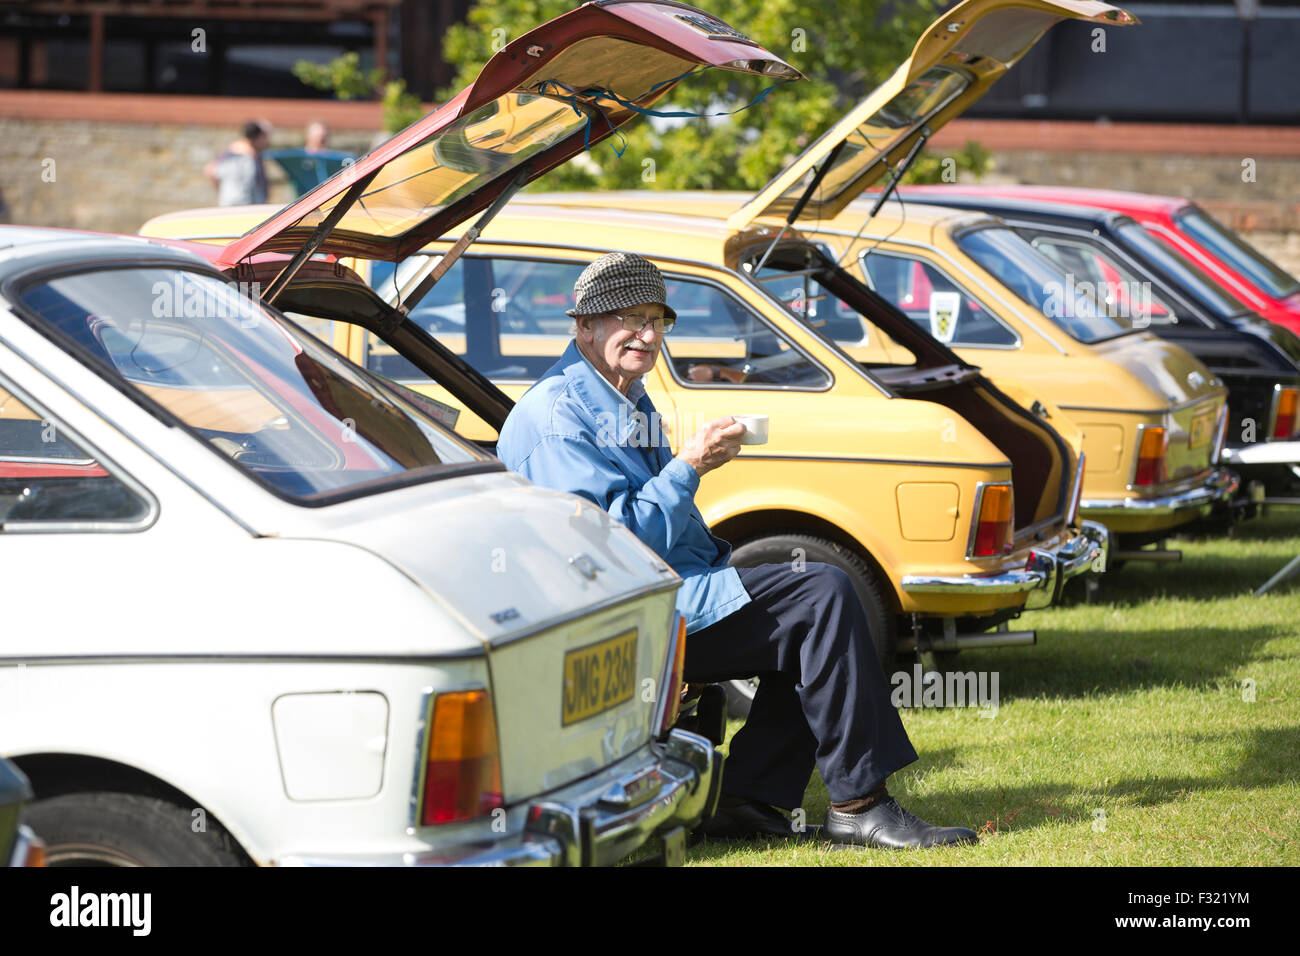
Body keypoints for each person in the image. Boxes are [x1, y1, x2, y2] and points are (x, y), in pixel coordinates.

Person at [496, 252, 978, 849]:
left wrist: (699, 500)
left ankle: (751, 798)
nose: (647, 334)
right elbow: (615, 547)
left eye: (657, 319)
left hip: (659, 594)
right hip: (618, 616)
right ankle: (858, 804)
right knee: (821, 595)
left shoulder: (621, 394)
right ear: (584, 325)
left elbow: (657, 527)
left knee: (814, 600)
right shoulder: (558, 417)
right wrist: (688, 467)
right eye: (629, 318)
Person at [205, 120, 271, 206]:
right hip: (246, 205)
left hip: (231, 204)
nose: (267, 142)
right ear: (258, 137)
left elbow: (210, 170)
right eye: (264, 137)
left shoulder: (232, 153)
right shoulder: (246, 157)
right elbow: (209, 170)